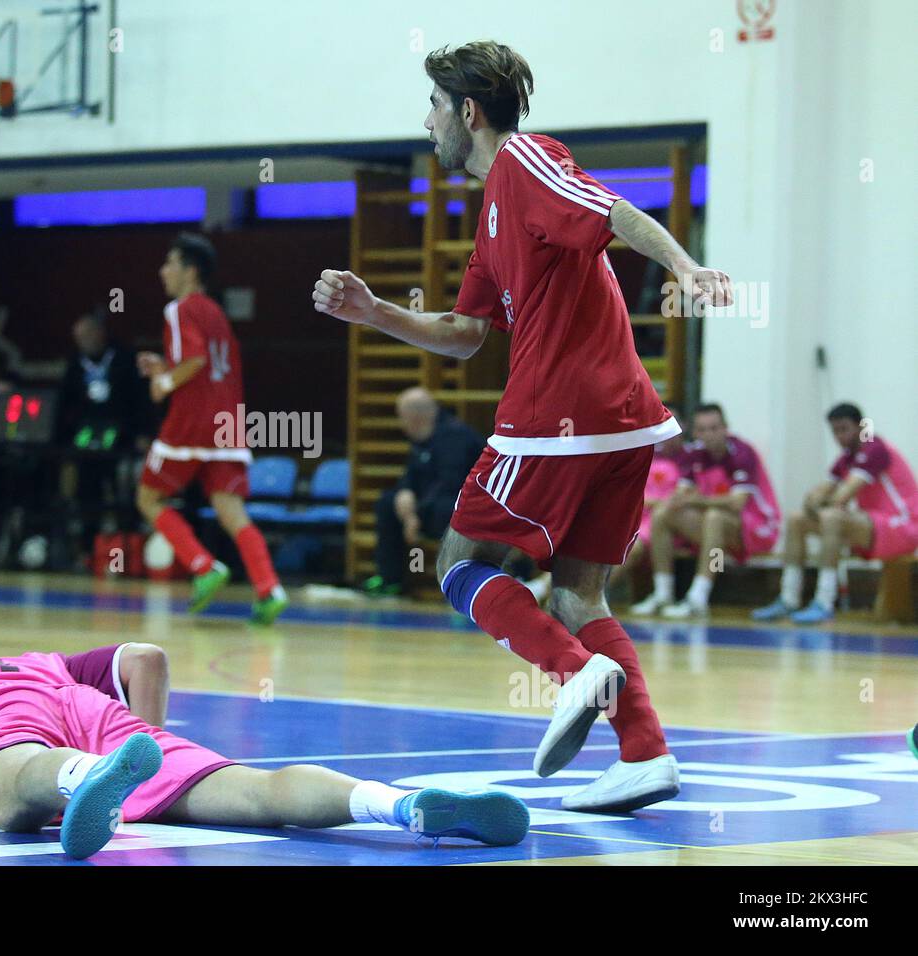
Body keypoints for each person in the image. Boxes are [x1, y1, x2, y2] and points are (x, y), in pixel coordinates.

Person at [313, 40, 734, 812]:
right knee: (579, 597)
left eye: (435, 106)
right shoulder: (494, 211)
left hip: (555, 418)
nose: (428, 121)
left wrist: (683, 266)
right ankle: (643, 754)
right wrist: (373, 313)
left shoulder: (524, 161)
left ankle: (574, 675)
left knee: (457, 566)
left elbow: (612, 210)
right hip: (623, 424)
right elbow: (468, 331)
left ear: (467, 112)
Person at [0, 638, 531, 860]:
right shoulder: (48, 658)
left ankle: (84, 778)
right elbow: (146, 658)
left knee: (5, 794)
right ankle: (397, 805)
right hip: (84, 704)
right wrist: (143, 740)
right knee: (253, 790)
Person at [135, 233, 288, 626]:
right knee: (232, 511)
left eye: (170, 263)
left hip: (191, 421)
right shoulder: (217, 313)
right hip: (227, 423)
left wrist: (162, 383)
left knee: (149, 499)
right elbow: (210, 364)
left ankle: (203, 566)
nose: (162, 271)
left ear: (190, 270)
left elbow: (197, 361)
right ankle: (269, 588)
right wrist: (166, 369)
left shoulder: (179, 308)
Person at [753, 403, 918, 624]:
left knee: (833, 516)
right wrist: (813, 501)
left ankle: (825, 601)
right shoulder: (846, 458)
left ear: (860, 427)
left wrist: (820, 503)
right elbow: (818, 493)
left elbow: (843, 496)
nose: (840, 436)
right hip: (875, 528)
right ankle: (789, 598)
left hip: (904, 528)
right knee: (796, 520)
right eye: (835, 431)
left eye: (844, 429)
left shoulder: (875, 449)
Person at [631, 404, 780, 619]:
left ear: (725, 428)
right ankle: (663, 594)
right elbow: (682, 496)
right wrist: (672, 501)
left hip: (757, 527)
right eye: (703, 429)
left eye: (714, 428)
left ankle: (698, 597)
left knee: (714, 518)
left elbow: (736, 504)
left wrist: (697, 500)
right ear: (695, 432)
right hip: (718, 529)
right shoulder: (694, 455)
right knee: (663, 513)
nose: (709, 435)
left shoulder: (742, 453)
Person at [363, 387, 484, 596]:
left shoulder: (454, 436)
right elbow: (411, 475)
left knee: (446, 510)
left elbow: (450, 484)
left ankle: (462, 584)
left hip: (463, 507)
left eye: (402, 417)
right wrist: (405, 492)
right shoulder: (422, 440)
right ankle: (390, 579)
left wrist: (415, 513)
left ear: (414, 416)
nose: (401, 424)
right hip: (428, 507)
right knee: (387, 502)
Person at [54, 315, 153, 552]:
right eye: (78, 338)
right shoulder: (75, 363)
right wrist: (63, 438)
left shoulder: (124, 359)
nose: (83, 342)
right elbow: (63, 404)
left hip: (122, 435)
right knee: (87, 490)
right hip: (87, 435)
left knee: (124, 491)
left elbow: (141, 399)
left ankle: (128, 545)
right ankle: (90, 547)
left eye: (87, 335)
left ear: (100, 334)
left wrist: (143, 433)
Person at [607, 405, 687, 593]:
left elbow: (679, 501)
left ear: (682, 426)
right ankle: (548, 586)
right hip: (635, 520)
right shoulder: (646, 454)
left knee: (628, 548)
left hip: (663, 525)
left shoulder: (689, 459)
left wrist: (650, 502)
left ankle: (589, 596)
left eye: (671, 424)